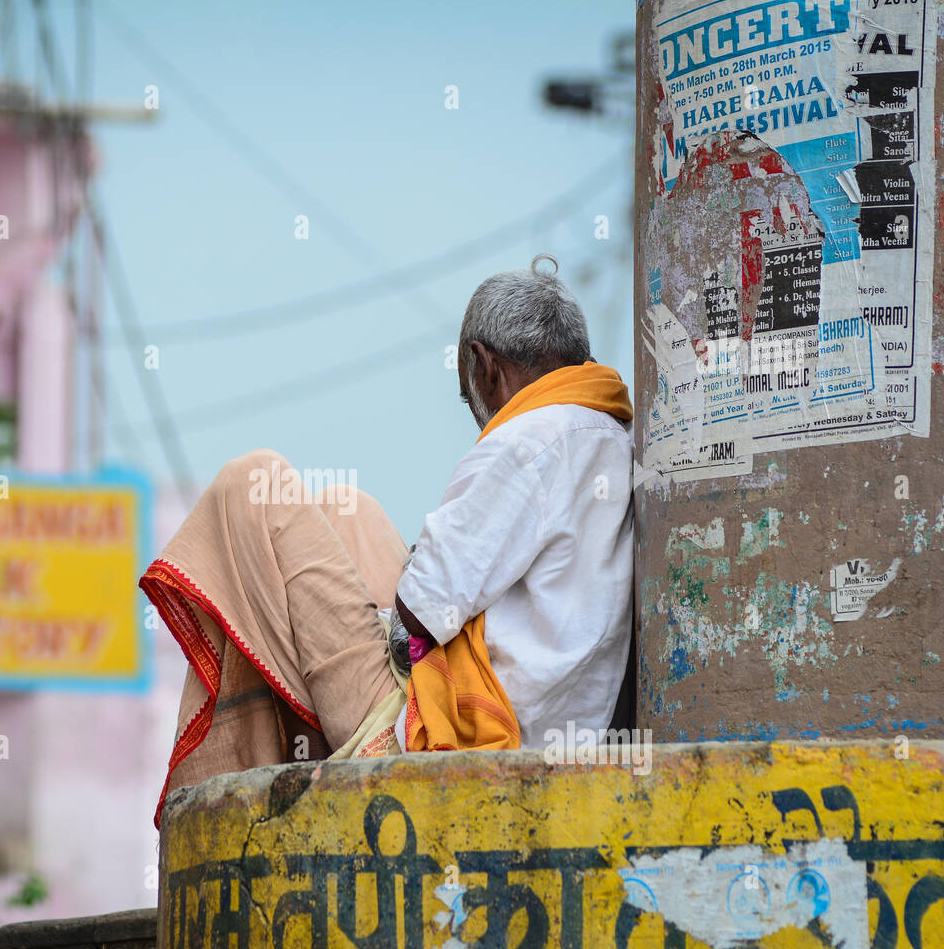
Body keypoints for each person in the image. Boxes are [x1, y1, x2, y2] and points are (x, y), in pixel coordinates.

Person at [140, 258, 634, 828]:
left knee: (254, 481)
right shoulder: (610, 434)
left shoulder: (528, 439)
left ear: (484, 366)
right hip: (536, 733)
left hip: (443, 748)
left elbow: (419, 615)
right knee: (349, 511)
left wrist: (387, 622)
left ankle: (223, 803)